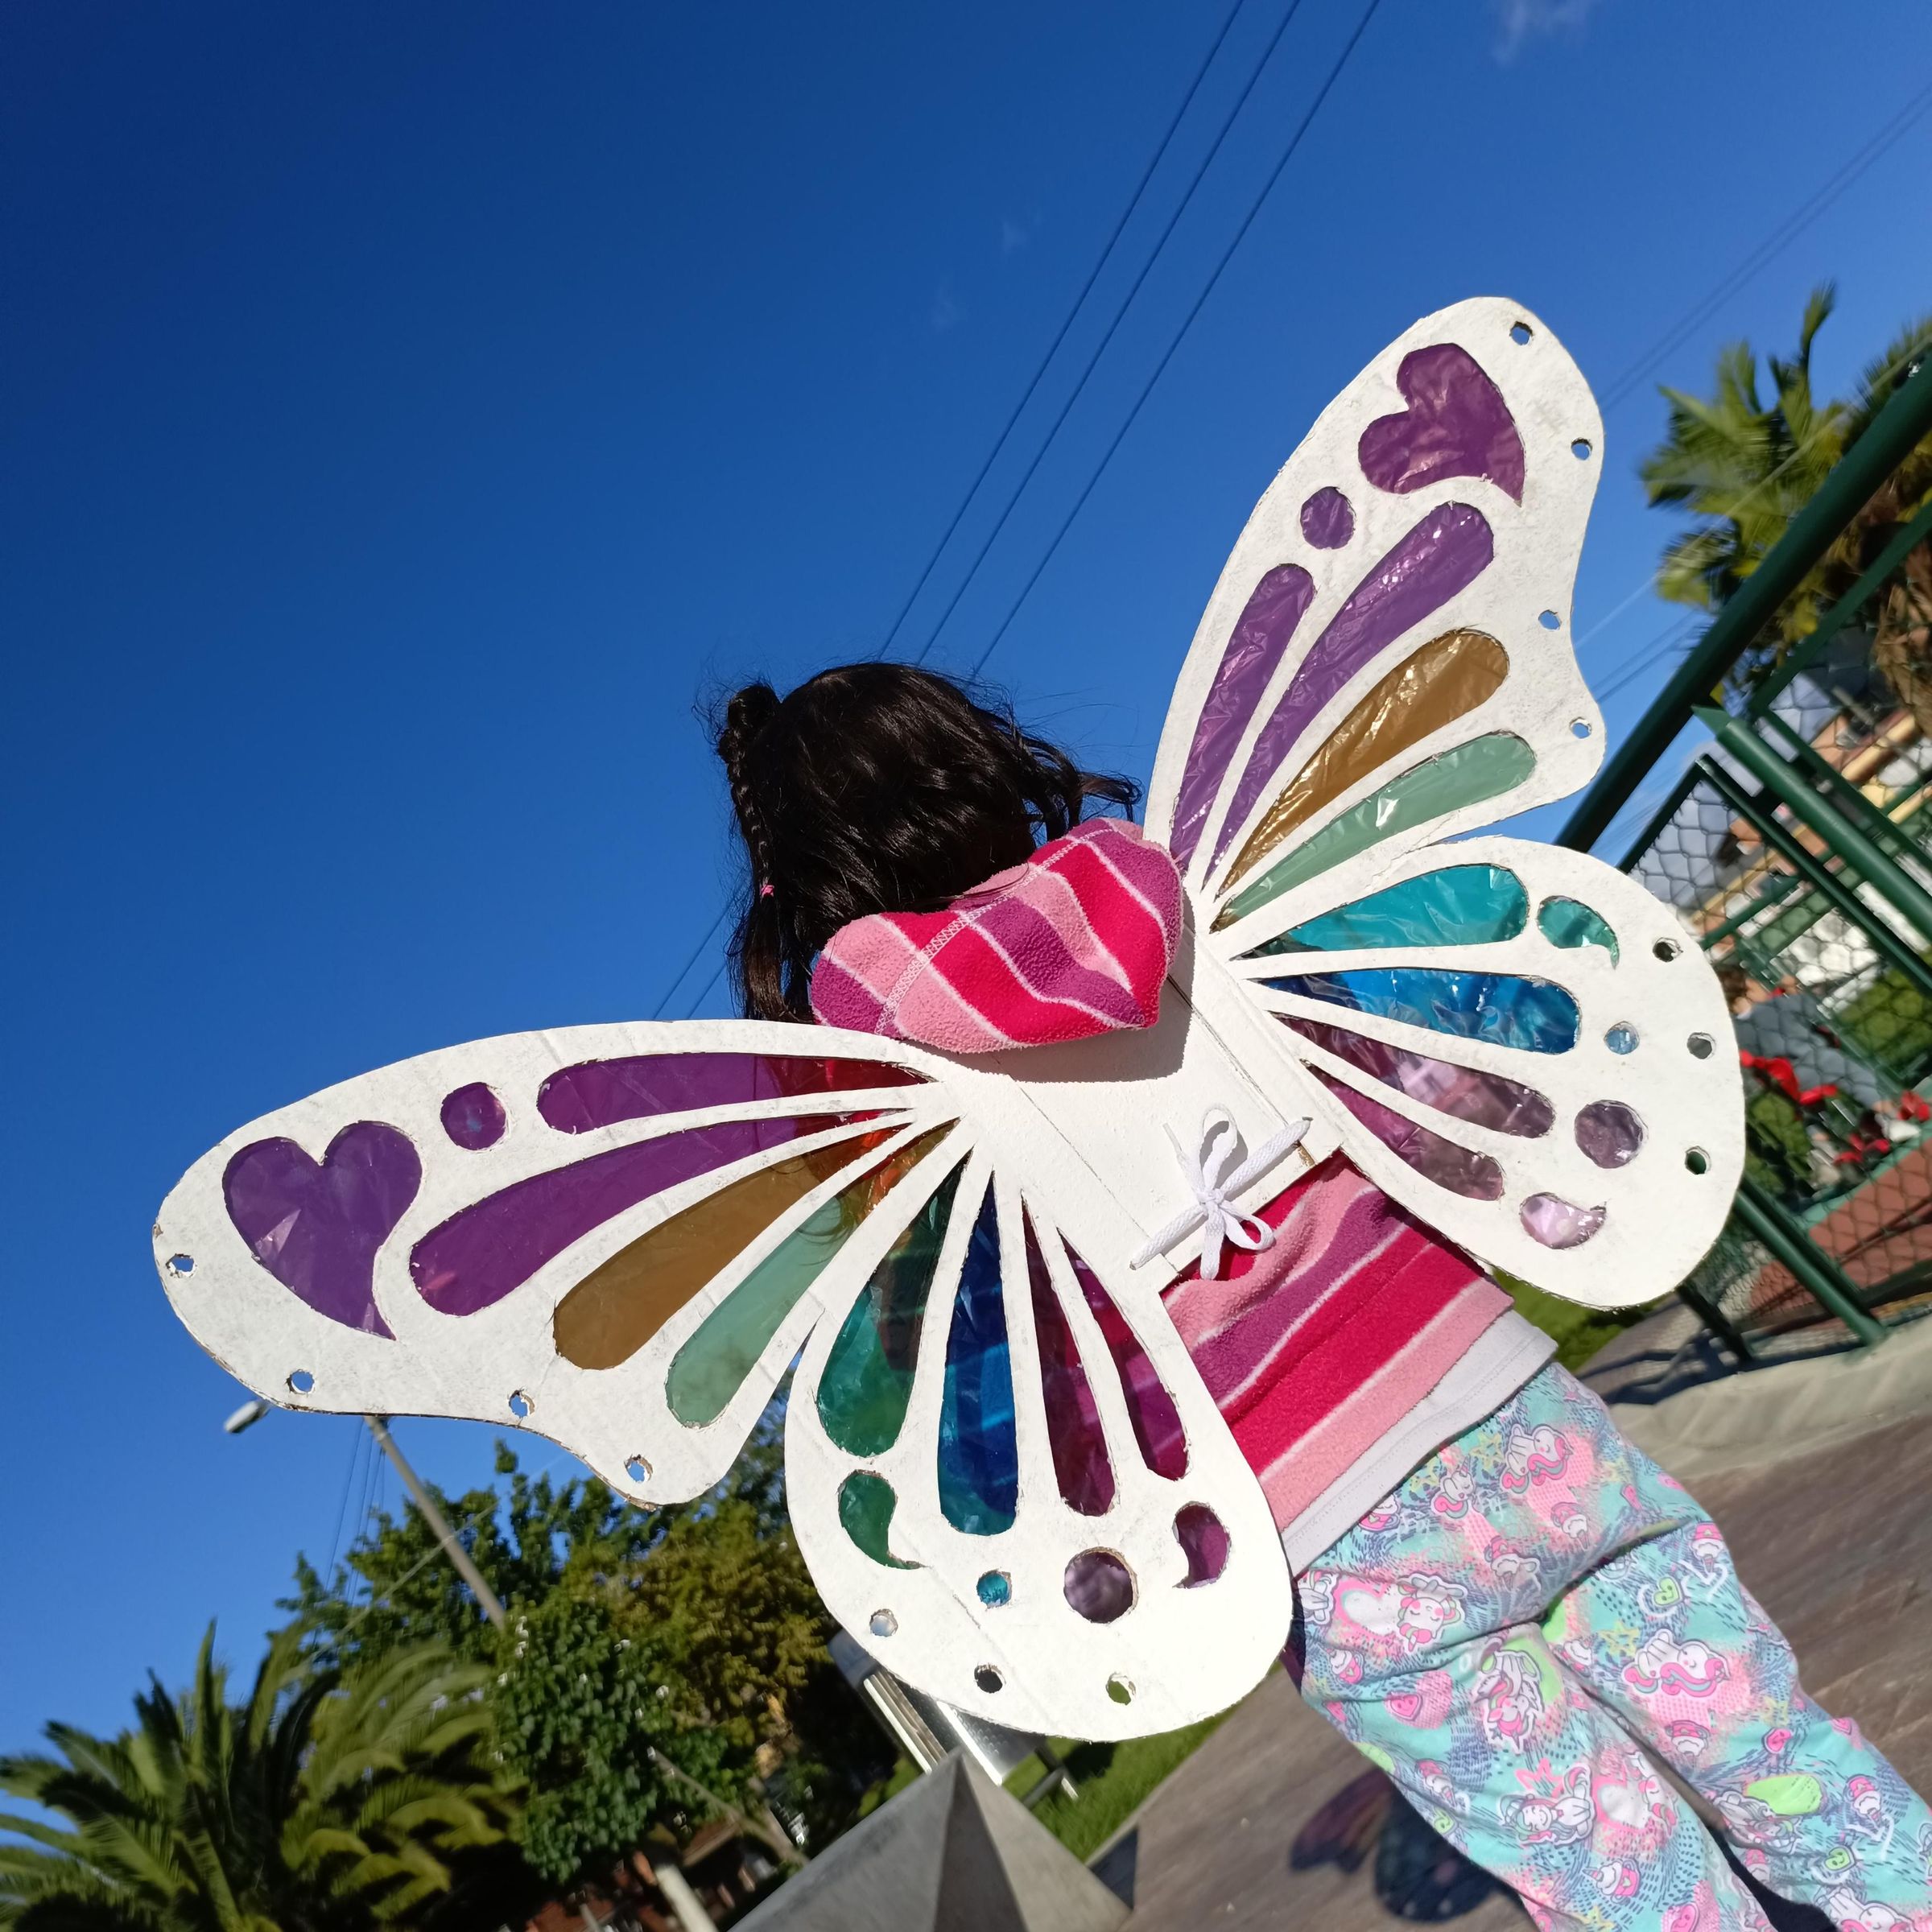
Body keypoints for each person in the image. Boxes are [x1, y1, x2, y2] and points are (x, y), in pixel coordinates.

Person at [713, 662, 1932, 1931]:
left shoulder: (918, 1125)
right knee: (1786, 1758)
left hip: (1326, 1545)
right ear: (977, 757)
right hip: (1507, 1405)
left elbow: (1012, 1396)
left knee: (1627, 1884)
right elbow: (1423, 1077)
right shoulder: (1189, 912)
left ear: (813, 881)